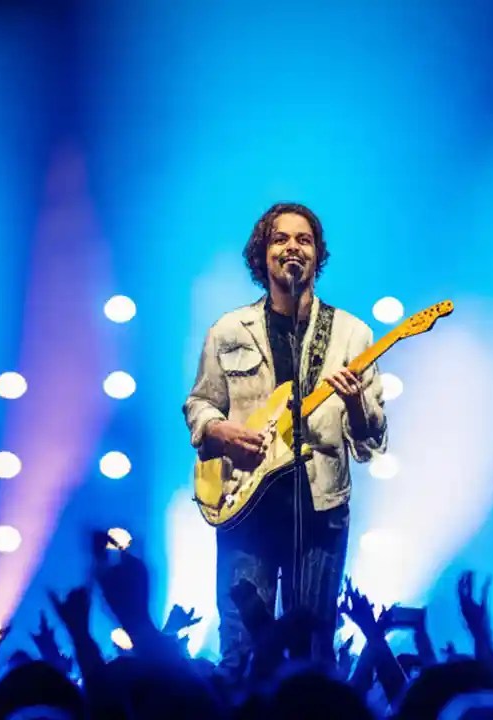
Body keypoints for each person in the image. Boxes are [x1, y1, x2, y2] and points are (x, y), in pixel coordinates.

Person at [183, 202, 388, 674]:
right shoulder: (229, 330)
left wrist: (357, 403)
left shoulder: (352, 334)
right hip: (245, 506)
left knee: (311, 654)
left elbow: (372, 440)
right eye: (281, 239)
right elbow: (200, 404)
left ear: (317, 255)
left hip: (319, 510)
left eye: (304, 240)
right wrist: (218, 431)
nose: (293, 247)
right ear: (263, 254)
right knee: (241, 649)